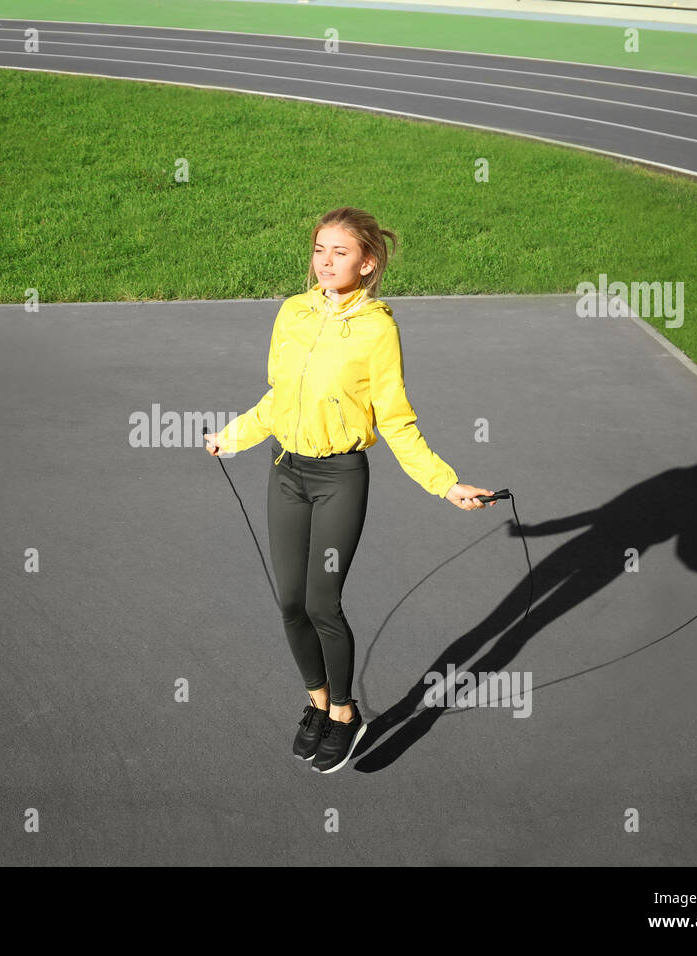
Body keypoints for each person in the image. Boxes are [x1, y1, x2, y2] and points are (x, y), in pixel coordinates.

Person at [203, 207, 497, 774]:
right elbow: (278, 398)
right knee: (289, 602)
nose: (326, 262)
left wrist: (446, 483)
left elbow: (395, 419)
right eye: (319, 250)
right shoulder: (291, 313)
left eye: (340, 253)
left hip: (339, 478)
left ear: (368, 263)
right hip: (285, 469)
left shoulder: (377, 328)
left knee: (321, 602)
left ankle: (344, 713)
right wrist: (233, 436)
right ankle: (315, 704)